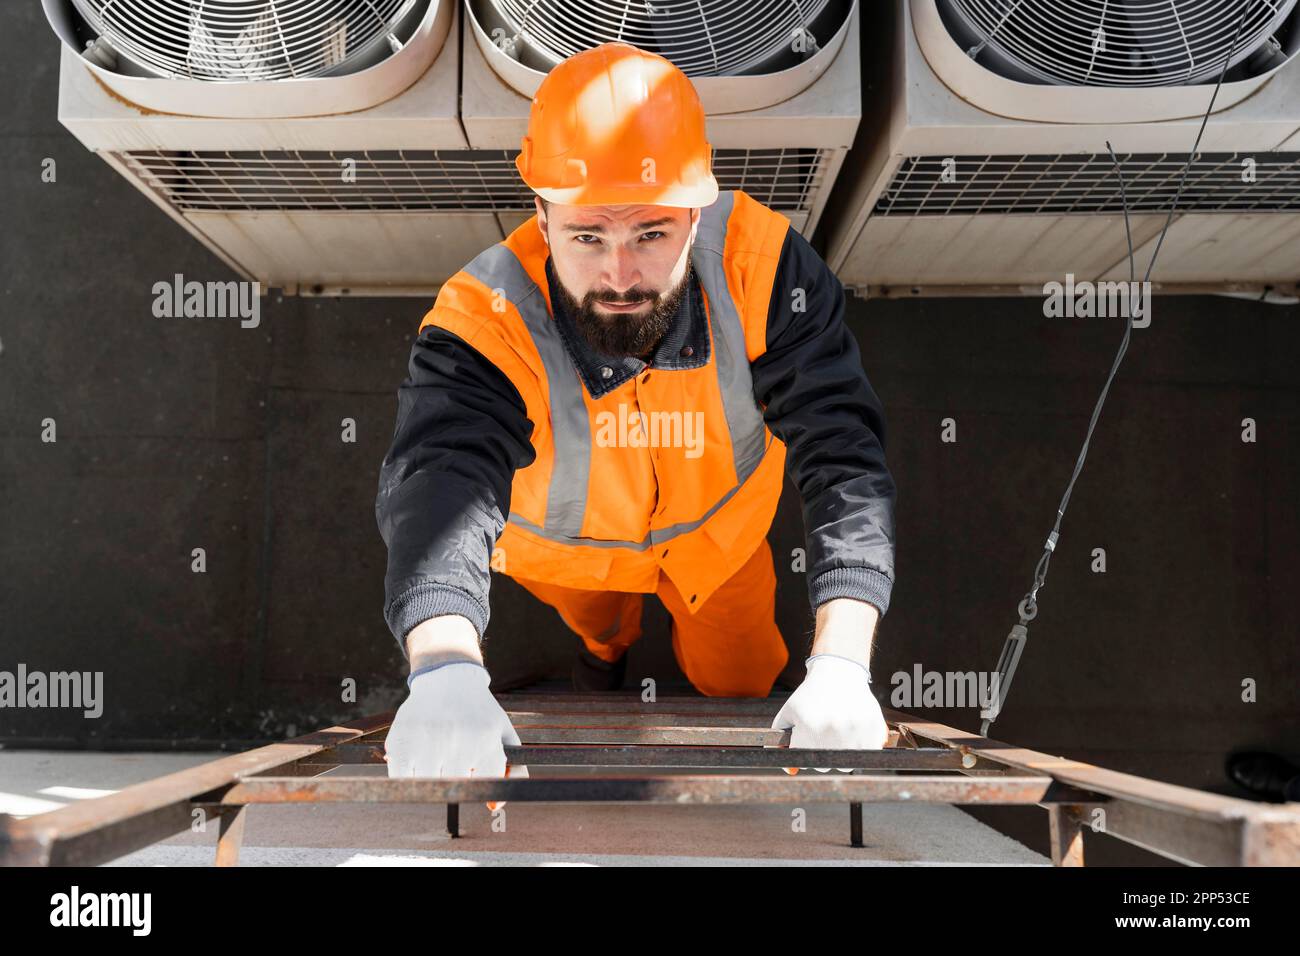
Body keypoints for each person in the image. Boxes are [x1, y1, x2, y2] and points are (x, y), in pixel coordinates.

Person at [377, 41, 896, 780]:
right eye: (587, 236)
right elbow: (440, 480)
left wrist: (844, 659)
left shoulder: (767, 267)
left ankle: (643, 659)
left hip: (720, 541)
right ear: (542, 215)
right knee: (598, 625)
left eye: (650, 234)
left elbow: (844, 455)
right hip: (568, 554)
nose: (619, 277)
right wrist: (441, 666)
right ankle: (604, 654)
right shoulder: (482, 319)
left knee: (743, 678)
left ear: (695, 211)